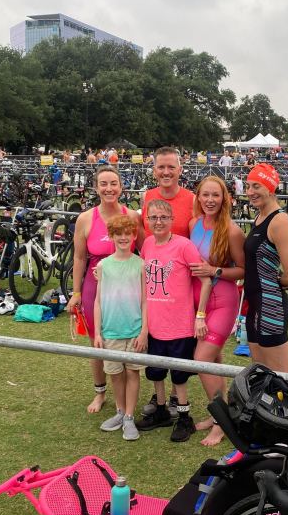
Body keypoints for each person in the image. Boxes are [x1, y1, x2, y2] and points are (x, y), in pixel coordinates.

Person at [68, 165, 144, 413]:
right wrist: (76, 292)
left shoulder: (132, 217)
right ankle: (100, 392)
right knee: (97, 341)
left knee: (129, 336)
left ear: (121, 187)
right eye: (104, 184)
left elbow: (145, 250)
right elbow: (79, 258)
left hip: (129, 290)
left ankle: (127, 395)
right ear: (96, 187)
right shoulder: (85, 219)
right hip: (95, 288)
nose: (109, 188)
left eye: (114, 183)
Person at [136, 200, 212, 443]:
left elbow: (206, 280)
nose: (158, 222)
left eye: (163, 217)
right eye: (153, 217)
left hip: (179, 325)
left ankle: (184, 417)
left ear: (171, 220)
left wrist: (200, 316)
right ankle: (160, 411)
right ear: (147, 220)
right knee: (156, 371)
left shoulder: (184, 246)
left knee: (179, 376)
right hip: (155, 325)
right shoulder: (147, 244)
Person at [188, 176, 246, 446]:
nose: (210, 200)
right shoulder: (193, 225)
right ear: (198, 197)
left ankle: (223, 424)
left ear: (225, 198)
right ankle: (217, 415)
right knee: (213, 361)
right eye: (205, 195)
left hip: (223, 301)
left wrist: (215, 271)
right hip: (199, 302)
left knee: (201, 359)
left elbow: (242, 271)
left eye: (216, 195)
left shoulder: (232, 230)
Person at [94, 214, 148, 442]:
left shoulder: (141, 264)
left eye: (128, 234)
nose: (124, 238)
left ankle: (129, 416)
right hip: (110, 331)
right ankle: (119, 410)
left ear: (134, 236)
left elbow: (146, 301)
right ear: (112, 236)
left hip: (134, 331)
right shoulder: (103, 265)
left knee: (132, 372)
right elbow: (98, 301)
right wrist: (97, 332)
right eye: (119, 234)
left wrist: (144, 330)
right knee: (115, 375)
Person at [243, 163, 288, 372]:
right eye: (248, 186)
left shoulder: (279, 220)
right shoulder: (259, 217)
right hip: (255, 306)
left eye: (256, 186)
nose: (250, 192)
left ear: (270, 187)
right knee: (261, 376)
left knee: (281, 379)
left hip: (271, 307)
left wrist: (270, 281)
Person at [142, 147, 195, 238]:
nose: (166, 172)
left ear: (180, 170)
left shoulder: (193, 200)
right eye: (161, 167)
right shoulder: (146, 196)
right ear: (154, 171)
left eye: (171, 167)